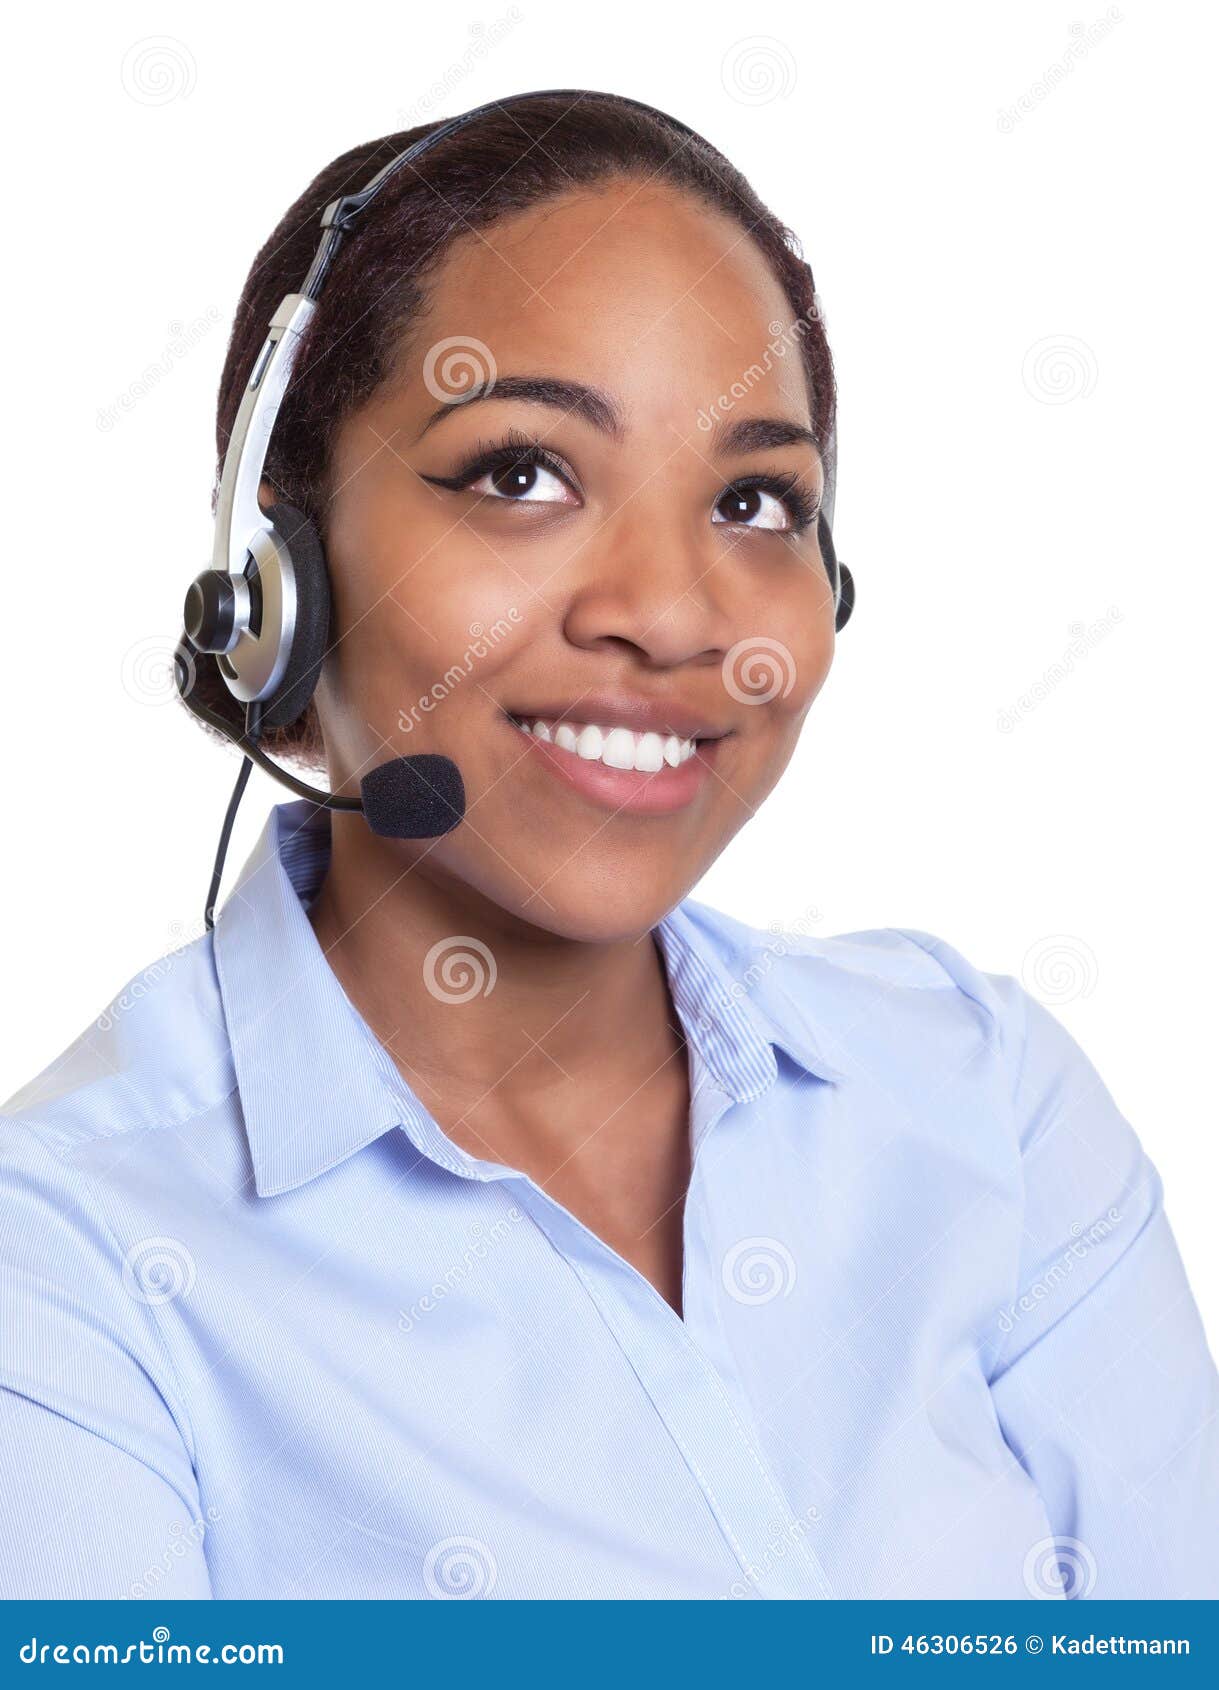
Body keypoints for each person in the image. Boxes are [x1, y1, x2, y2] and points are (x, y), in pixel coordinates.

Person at [2, 89, 1215, 1602]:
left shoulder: (986, 1100)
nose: (672, 608)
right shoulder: (65, 1259)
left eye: (756, 499)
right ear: (276, 587)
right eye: (522, 474)